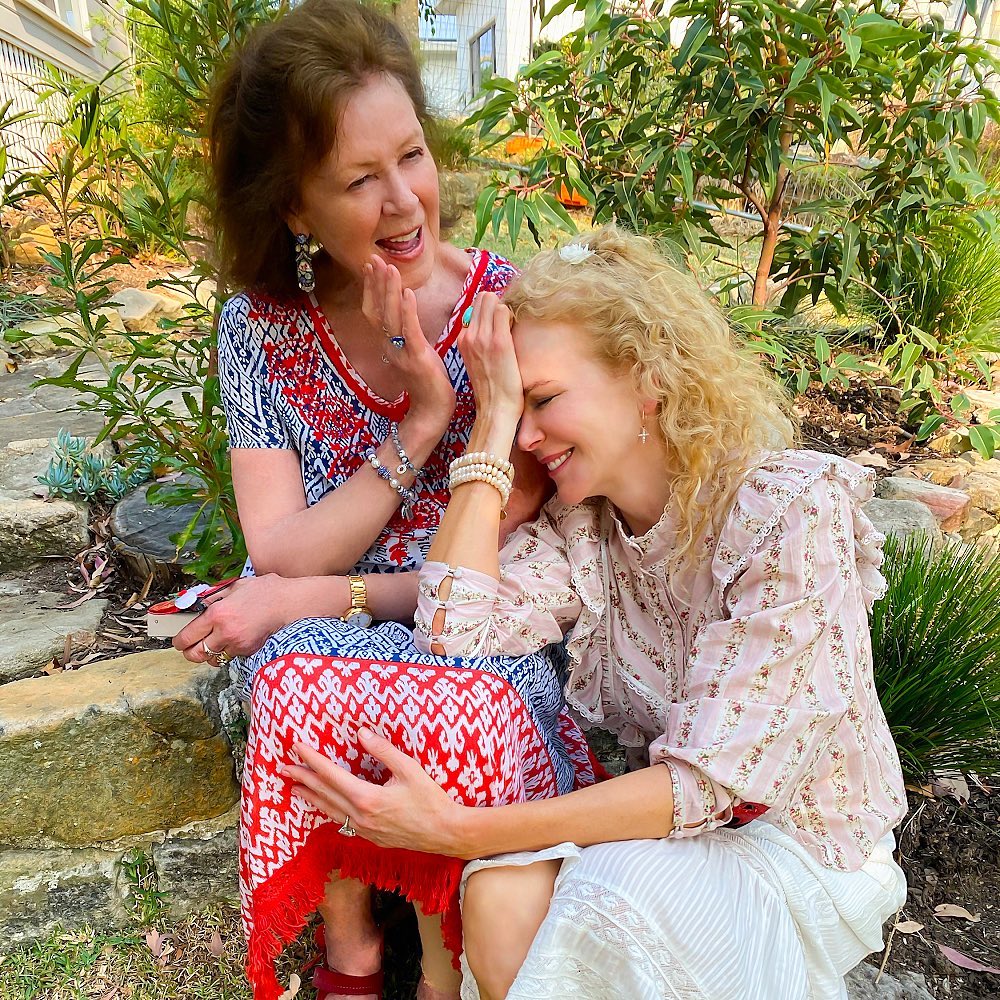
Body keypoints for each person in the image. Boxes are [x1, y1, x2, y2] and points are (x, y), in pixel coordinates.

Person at [281, 225, 910, 1000]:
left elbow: (706, 788)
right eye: (518, 412)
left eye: (541, 400)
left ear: (646, 379)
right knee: (500, 894)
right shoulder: (587, 533)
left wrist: (457, 831)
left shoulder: (785, 510)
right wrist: (486, 427)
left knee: (597, 895)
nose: (530, 437)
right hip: (682, 837)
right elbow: (448, 633)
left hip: (801, 852)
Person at [171, 2, 599, 999]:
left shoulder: (511, 312)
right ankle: (353, 954)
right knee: (285, 667)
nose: (405, 200)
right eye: (360, 179)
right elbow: (279, 552)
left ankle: (448, 957)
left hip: (479, 627)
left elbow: (487, 589)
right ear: (292, 208)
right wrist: (421, 422)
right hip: (321, 635)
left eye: (411, 155)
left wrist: (308, 599)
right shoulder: (257, 330)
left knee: (389, 673)